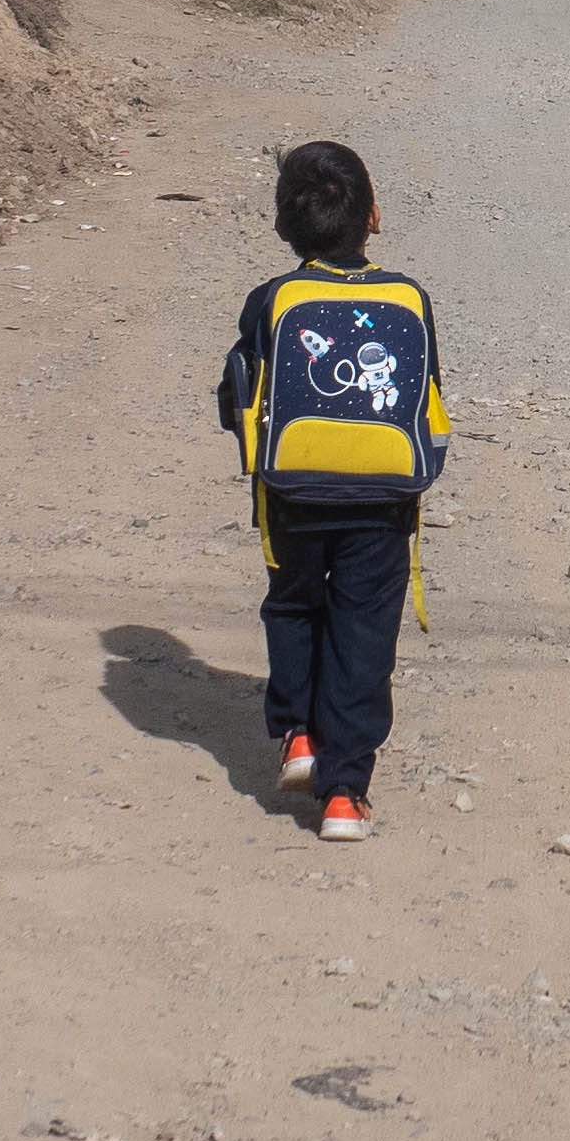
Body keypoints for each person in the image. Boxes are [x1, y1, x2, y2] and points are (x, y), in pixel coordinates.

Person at [212, 140, 450, 842]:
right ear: (372, 216)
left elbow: (237, 397)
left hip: (291, 490)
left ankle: (297, 737)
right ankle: (344, 794)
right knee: (363, 631)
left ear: (283, 225)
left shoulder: (271, 300)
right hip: (382, 498)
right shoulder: (409, 298)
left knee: (292, 604)